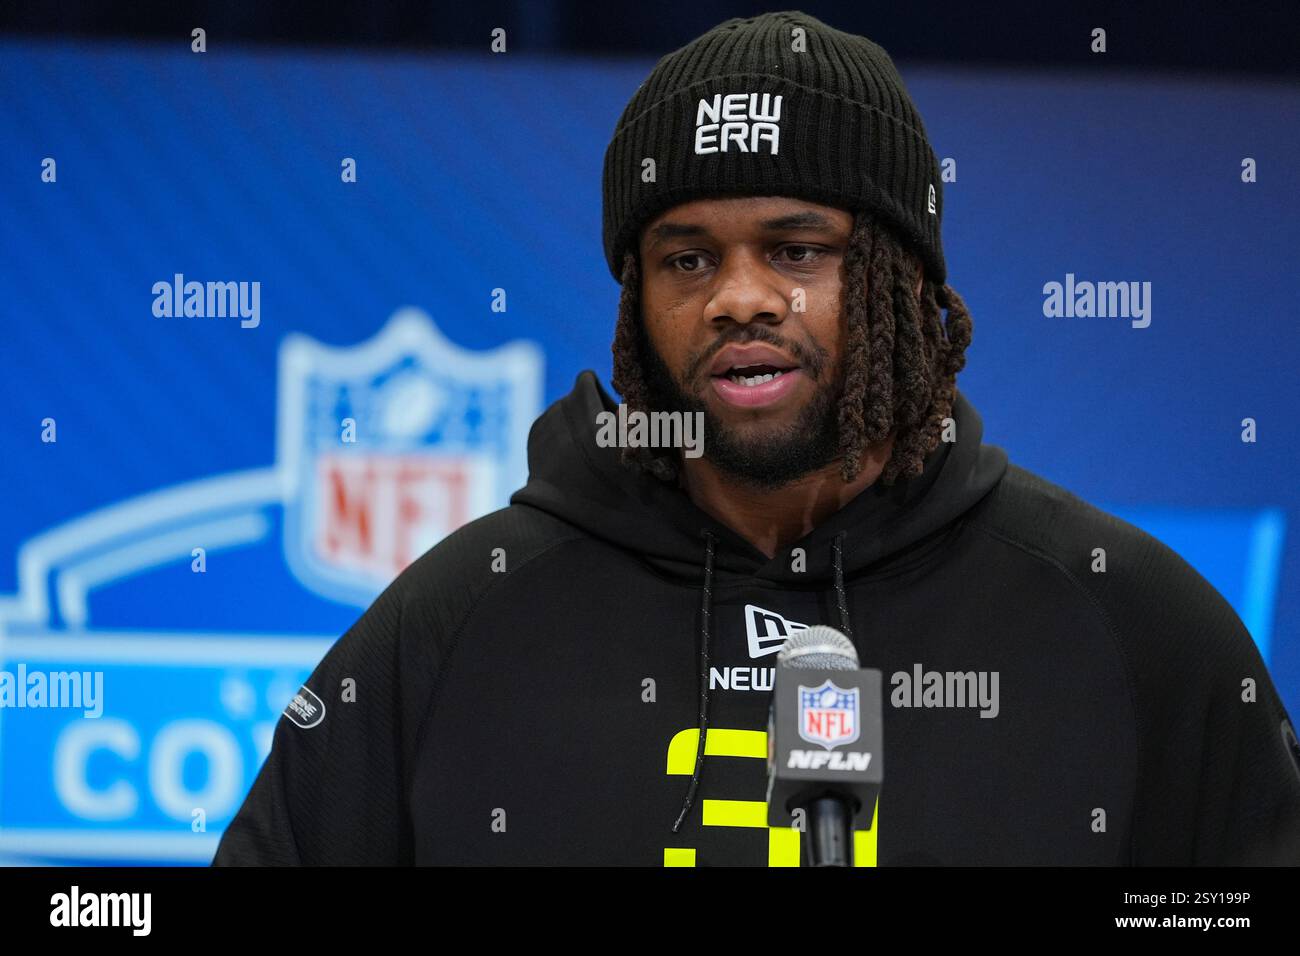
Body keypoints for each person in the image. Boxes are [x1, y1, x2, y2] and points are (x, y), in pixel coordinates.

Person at [213, 10, 1300, 866]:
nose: (738, 298)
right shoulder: (456, 620)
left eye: (796, 249)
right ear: (636, 299)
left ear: (896, 279)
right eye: (686, 258)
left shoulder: (1128, 625)